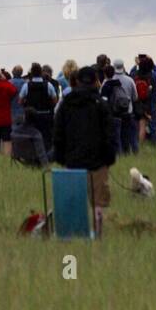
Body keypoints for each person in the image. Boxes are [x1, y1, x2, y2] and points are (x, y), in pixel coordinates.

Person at [53, 66, 116, 237]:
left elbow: (58, 133)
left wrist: (60, 157)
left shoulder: (66, 104)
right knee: (98, 202)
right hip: (98, 162)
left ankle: (72, 232)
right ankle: (97, 233)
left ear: (77, 81)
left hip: (72, 161)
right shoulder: (101, 104)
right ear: (96, 81)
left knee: (73, 200)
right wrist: (109, 158)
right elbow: (110, 134)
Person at [18, 63, 58, 153]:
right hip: (46, 115)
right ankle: (46, 155)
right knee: (46, 137)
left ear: (31, 73)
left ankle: (32, 155)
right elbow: (55, 101)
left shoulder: (26, 86)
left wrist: (27, 105)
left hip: (31, 116)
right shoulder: (49, 85)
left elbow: (20, 101)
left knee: (31, 137)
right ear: (41, 73)